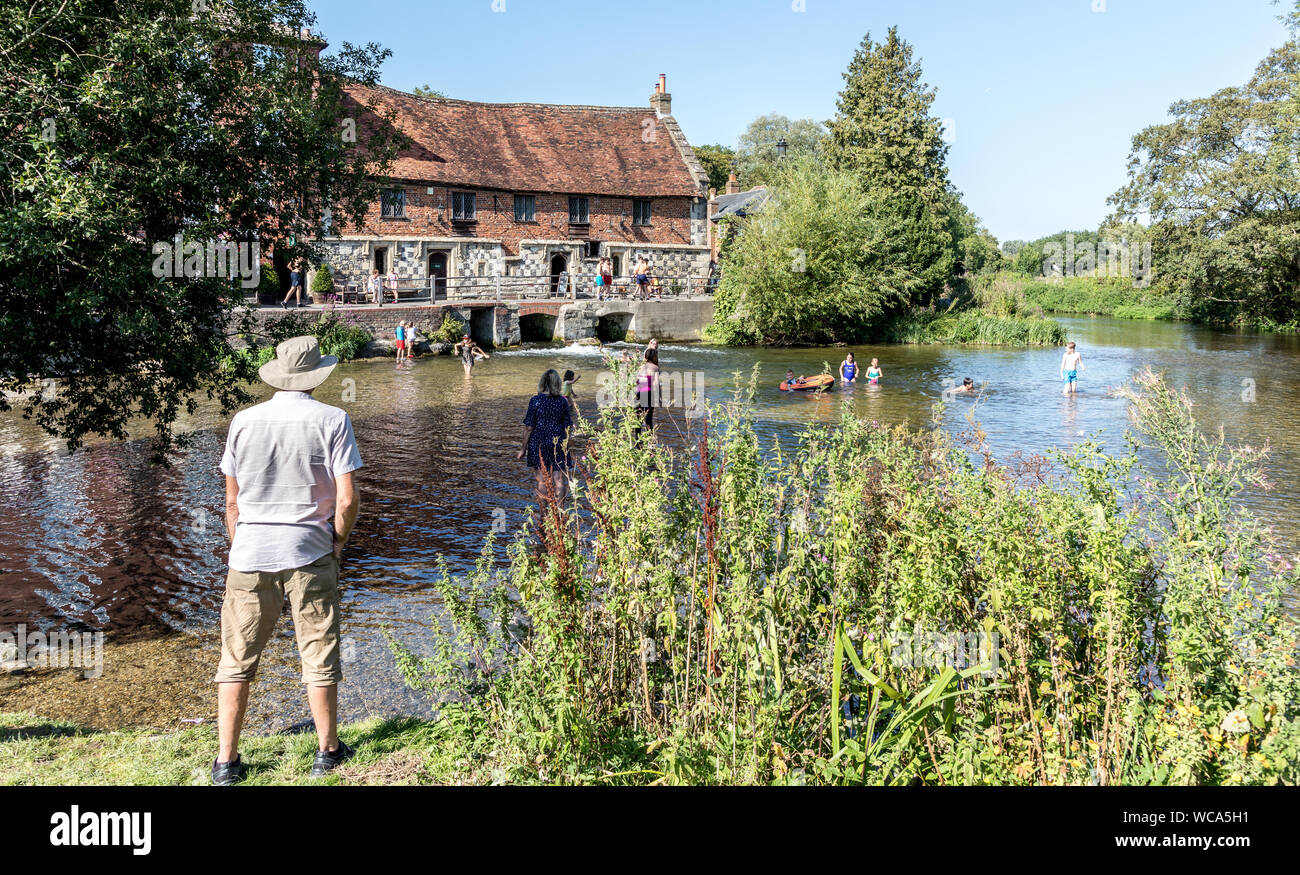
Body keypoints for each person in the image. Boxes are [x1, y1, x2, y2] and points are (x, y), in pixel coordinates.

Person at [212, 336, 363, 785]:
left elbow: (232, 503)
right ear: (317, 376)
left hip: (250, 553)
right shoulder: (333, 419)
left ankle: (226, 763)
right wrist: (336, 543)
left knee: (236, 657)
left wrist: (243, 543)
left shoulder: (244, 420)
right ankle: (327, 752)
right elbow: (348, 500)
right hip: (309, 551)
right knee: (318, 651)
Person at [518, 368, 574, 503]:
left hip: (538, 442)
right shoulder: (562, 401)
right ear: (558, 384)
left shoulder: (535, 400)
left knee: (541, 480)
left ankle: (543, 515)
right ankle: (560, 514)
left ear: (542, 383)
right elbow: (568, 426)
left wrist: (523, 449)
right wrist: (567, 445)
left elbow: (529, 426)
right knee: (559, 479)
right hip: (558, 441)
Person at [634, 346, 660, 439]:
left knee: (638, 420)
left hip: (639, 393)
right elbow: (656, 384)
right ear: (654, 357)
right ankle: (651, 445)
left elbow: (636, 381)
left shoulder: (641, 367)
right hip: (649, 393)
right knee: (648, 420)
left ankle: (638, 444)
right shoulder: (655, 367)